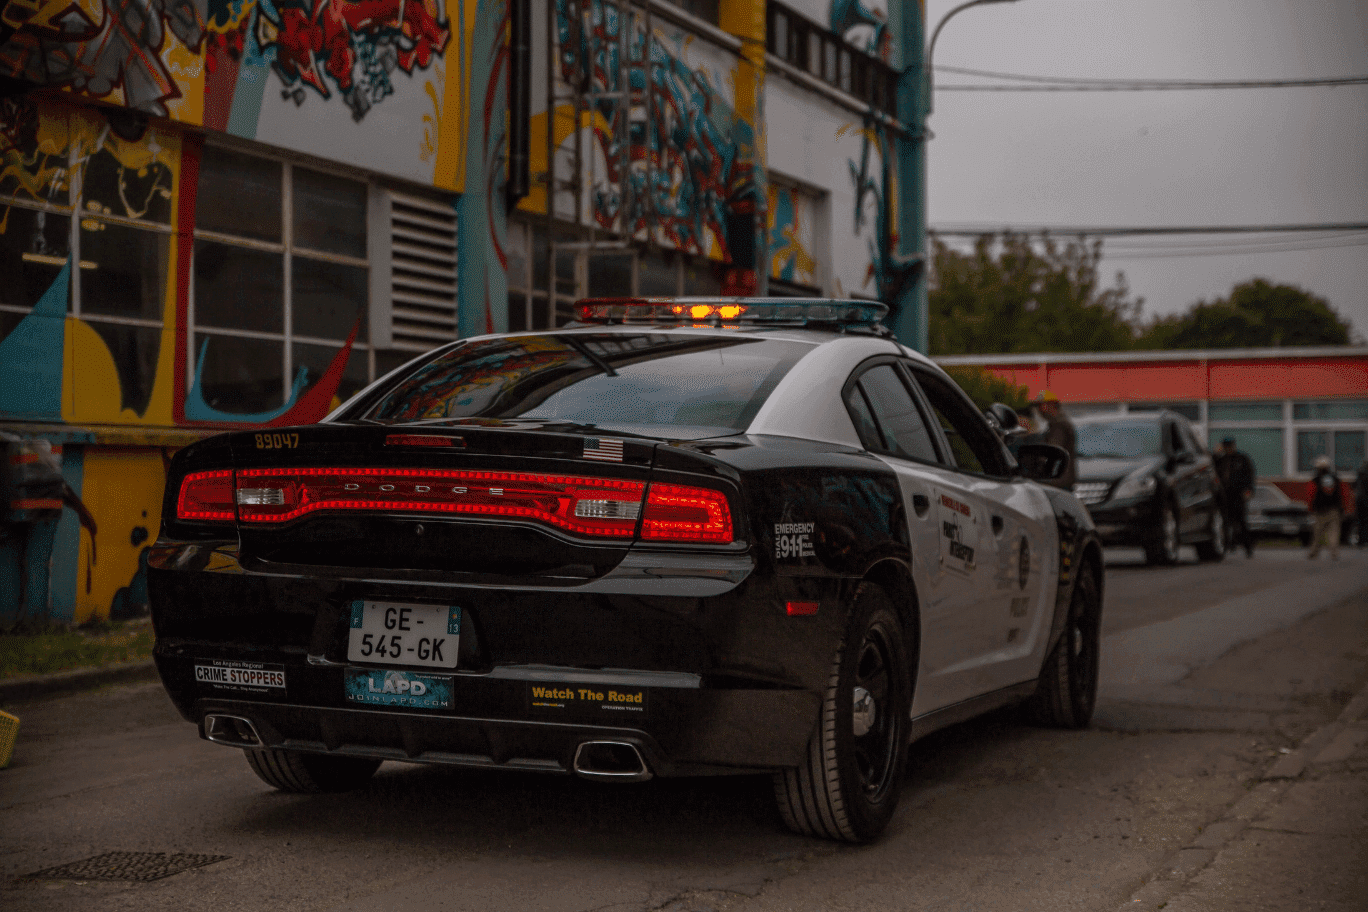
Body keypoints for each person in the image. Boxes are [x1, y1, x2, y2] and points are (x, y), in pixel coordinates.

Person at [1213, 437, 1256, 557]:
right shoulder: (1221, 460)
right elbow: (1212, 468)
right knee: (1226, 522)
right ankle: (1228, 545)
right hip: (1224, 495)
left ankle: (1248, 547)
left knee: (1241, 521)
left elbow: (1249, 475)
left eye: (1229, 446)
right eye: (1225, 447)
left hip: (1238, 494)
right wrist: (1215, 454)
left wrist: (1249, 490)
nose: (1228, 449)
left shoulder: (1241, 459)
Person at [1026, 390, 1076, 491]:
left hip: (1058, 482)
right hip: (1060, 480)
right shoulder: (1057, 424)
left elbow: (1052, 451)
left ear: (1051, 404)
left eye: (1041, 405)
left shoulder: (1059, 426)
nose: (1039, 410)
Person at [1306, 455, 1342, 560]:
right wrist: (1342, 508)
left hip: (1320, 511)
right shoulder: (1335, 479)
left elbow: (1311, 494)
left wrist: (1310, 508)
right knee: (1333, 533)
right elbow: (1341, 493)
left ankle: (1314, 552)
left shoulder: (1315, 480)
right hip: (1334, 509)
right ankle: (1334, 553)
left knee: (1317, 533)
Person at [1355, 458, 1368, 548]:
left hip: (1359, 499)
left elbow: (1355, 485)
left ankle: (1361, 541)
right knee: (1366, 521)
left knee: (1360, 521)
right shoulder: (1366, 475)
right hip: (1366, 499)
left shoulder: (1359, 473)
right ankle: (1365, 539)